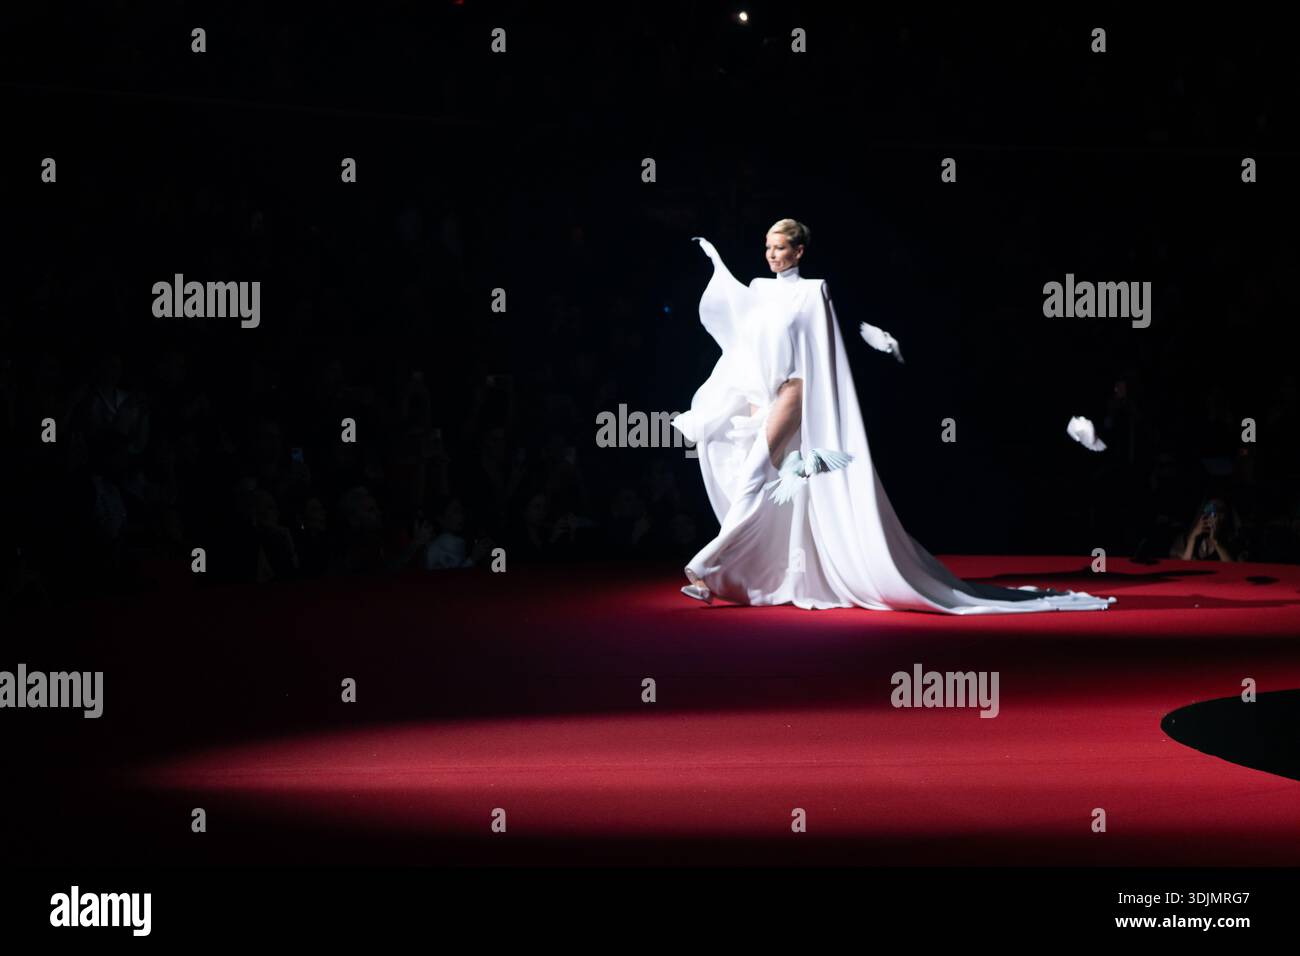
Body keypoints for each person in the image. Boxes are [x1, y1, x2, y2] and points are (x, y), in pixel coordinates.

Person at [671, 218, 1116, 613]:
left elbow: (823, 357)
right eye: (768, 247)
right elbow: (748, 350)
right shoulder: (760, 290)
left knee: (755, 478)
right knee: (766, 485)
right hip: (767, 396)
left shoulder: (812, 292)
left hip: (795, 395)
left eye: (780, 247)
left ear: (799, 251)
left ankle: (705, 567)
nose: (772, 255)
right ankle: (749, 573)